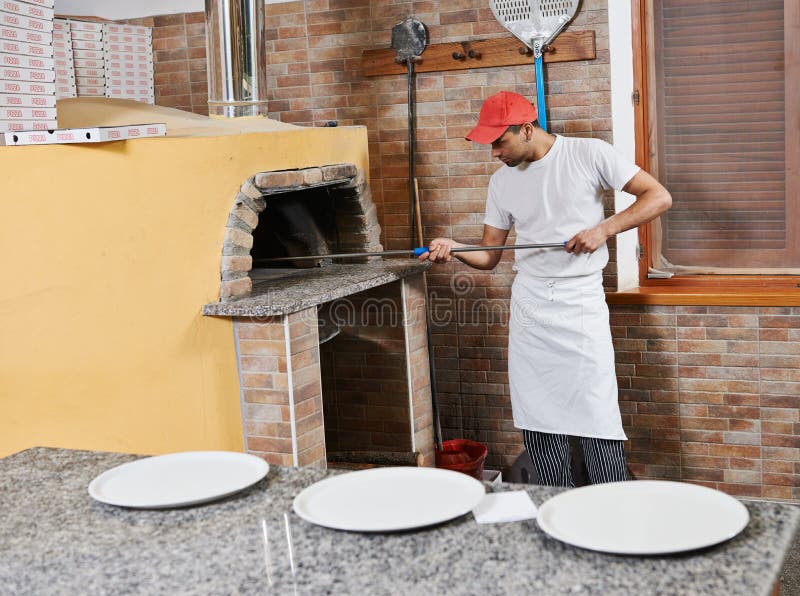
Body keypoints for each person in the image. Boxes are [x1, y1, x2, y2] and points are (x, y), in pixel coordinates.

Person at [420, 91, 671, 487]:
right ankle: (552, 502)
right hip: (531, 306)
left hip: (580, 301)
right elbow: (489, 257)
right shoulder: (501, 183)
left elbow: (658, 196)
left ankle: (610, 506)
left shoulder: (588, 154)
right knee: (538, 414)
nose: (494, 152)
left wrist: (602, 229)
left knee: (596, 412)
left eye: (499, 142)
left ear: (526, 128)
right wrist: (456, 248)